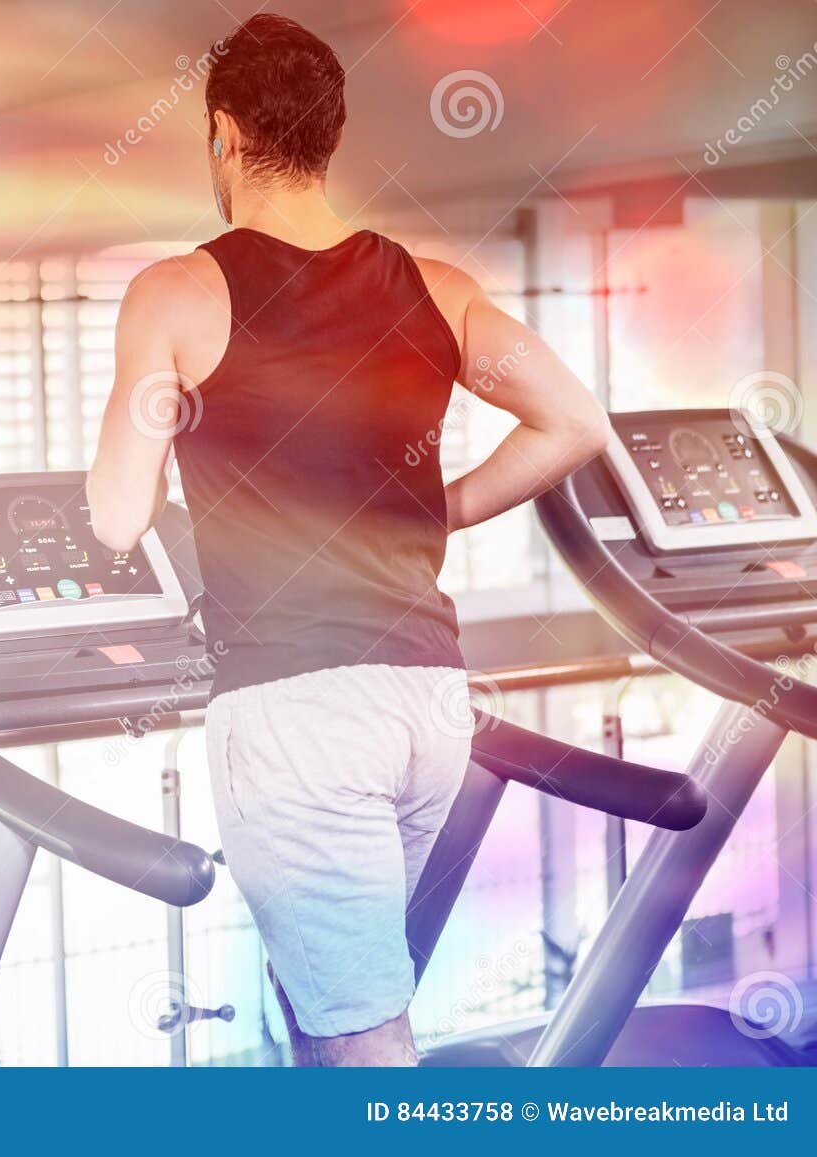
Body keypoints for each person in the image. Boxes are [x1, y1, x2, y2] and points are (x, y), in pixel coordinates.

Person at [85, 13, 610, 1067]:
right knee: (329, 1001)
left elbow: (115, 514)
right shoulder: (436, 288)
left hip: (296, 713)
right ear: (328, 138)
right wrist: (439, 505)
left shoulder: (176, 292)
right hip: (425, 702)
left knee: (361, 1041)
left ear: (222, 135)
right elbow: (572, 422)